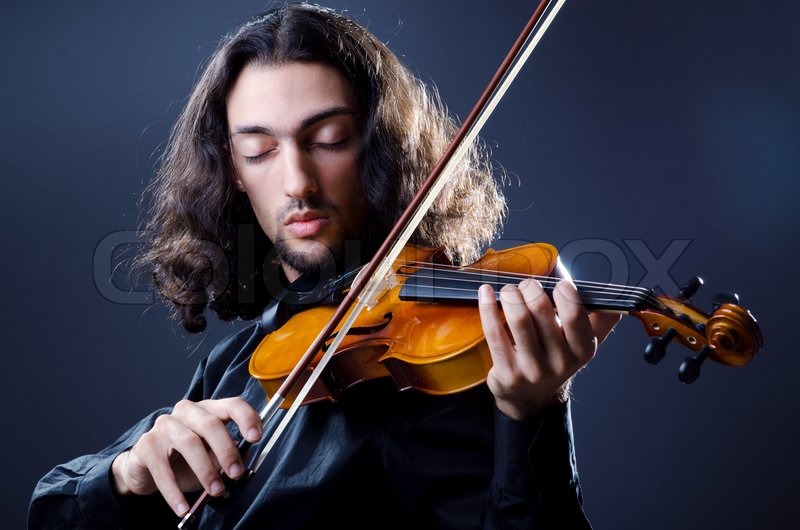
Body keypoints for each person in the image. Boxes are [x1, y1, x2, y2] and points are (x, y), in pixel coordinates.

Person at [29, 3, 619, 529]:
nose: (297, 183)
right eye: (259, 150)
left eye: (330, 139)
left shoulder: (435, 379)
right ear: (233, 169)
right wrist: (127, 475)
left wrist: (531, 414)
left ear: (379, 146)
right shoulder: (238, 363)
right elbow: (49, 508)